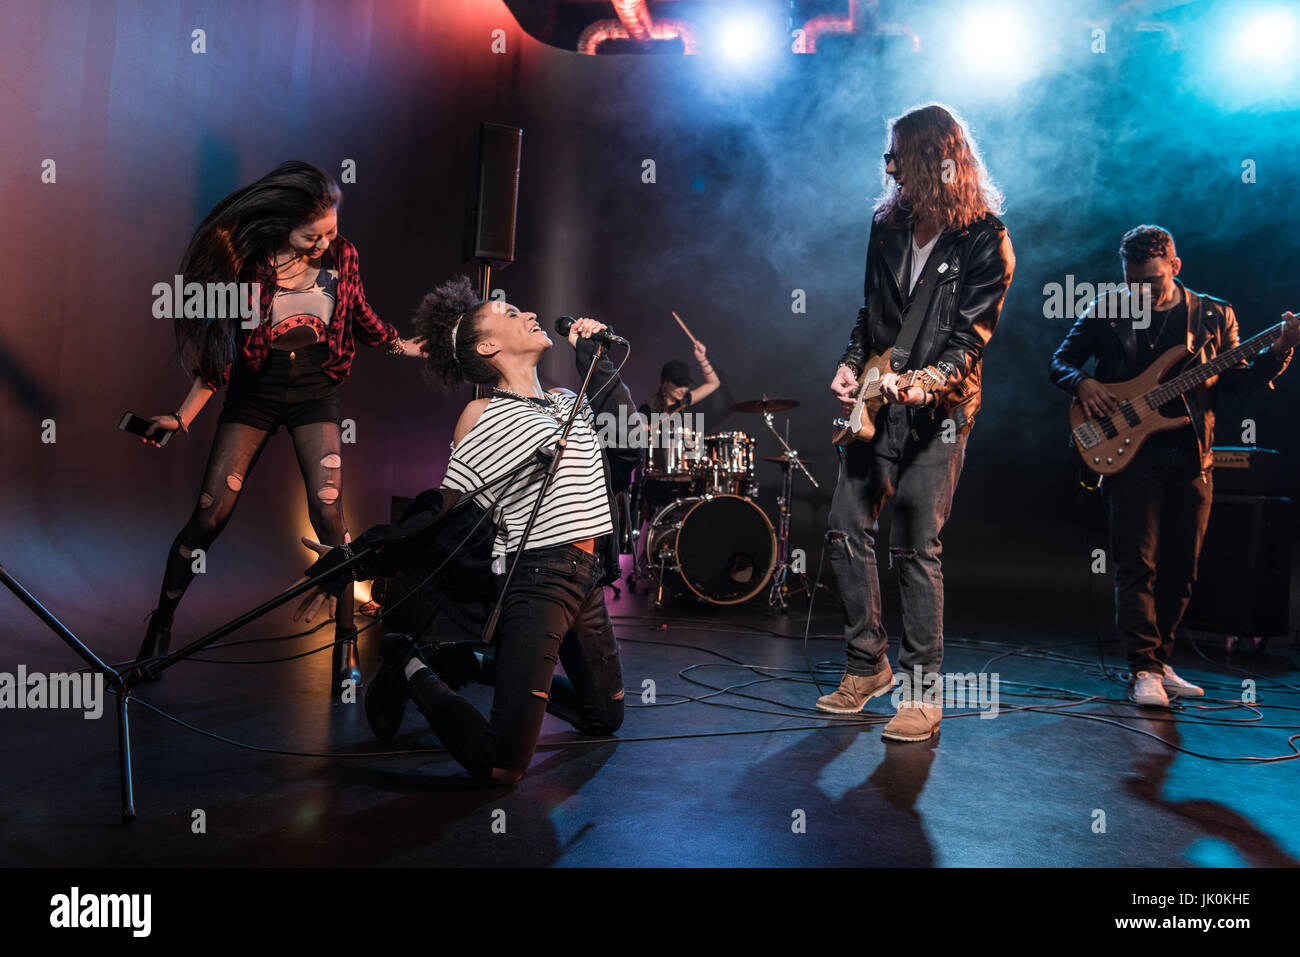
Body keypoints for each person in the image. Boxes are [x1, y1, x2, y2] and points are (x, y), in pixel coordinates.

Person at [299, 275, 639, 785]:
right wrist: (366, 552)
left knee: (605, 719)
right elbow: (446, 510)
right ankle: (412, 665)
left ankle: (478, 665)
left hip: (586, 578)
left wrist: (598, 360)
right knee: (501, 767)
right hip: (538, 578)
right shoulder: (482, 414)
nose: (527, 315)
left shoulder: (571, 400)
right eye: (510, 315)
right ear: (487, 347)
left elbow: (630, 444)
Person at [133, 161, 424, 698]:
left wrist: (407, 346)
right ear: (281, 228)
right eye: (310, 236)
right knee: (210, 513)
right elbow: (221, 352)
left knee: (329, 511)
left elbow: (359, 315)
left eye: (330, 232)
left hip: (316, 394)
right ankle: (160, 626)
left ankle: (345, 641)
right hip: (255, 396)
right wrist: (182, 416)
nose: (322, 244)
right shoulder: (252, 265)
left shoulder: (344, 257)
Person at [818, 104, 1015, 742]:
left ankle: (923, 693)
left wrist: (922, 383)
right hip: (877, 400)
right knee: (845, 528)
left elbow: (967, 343)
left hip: (943, 413)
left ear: (931, 156)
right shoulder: (886, 224)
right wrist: (853, 364)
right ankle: (865, 665)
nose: (888, 164)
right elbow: (870, 312)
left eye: (896, 151)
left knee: (913, 543)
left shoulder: (985, 238)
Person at [1049, 224, 1297, 707]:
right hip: (1129, 454)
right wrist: (1082, 384)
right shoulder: (1107, 308)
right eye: (1133, 281)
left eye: (1152, 281)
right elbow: (1060, 361)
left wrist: (1280, 352)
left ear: (1175, 267)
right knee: (1136, 564)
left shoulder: (1213, 314)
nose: (1140, 291)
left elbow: (1236, 383)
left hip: (1191, 455)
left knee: (1183, 567)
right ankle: (1143, 668)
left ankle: (1160, 661)